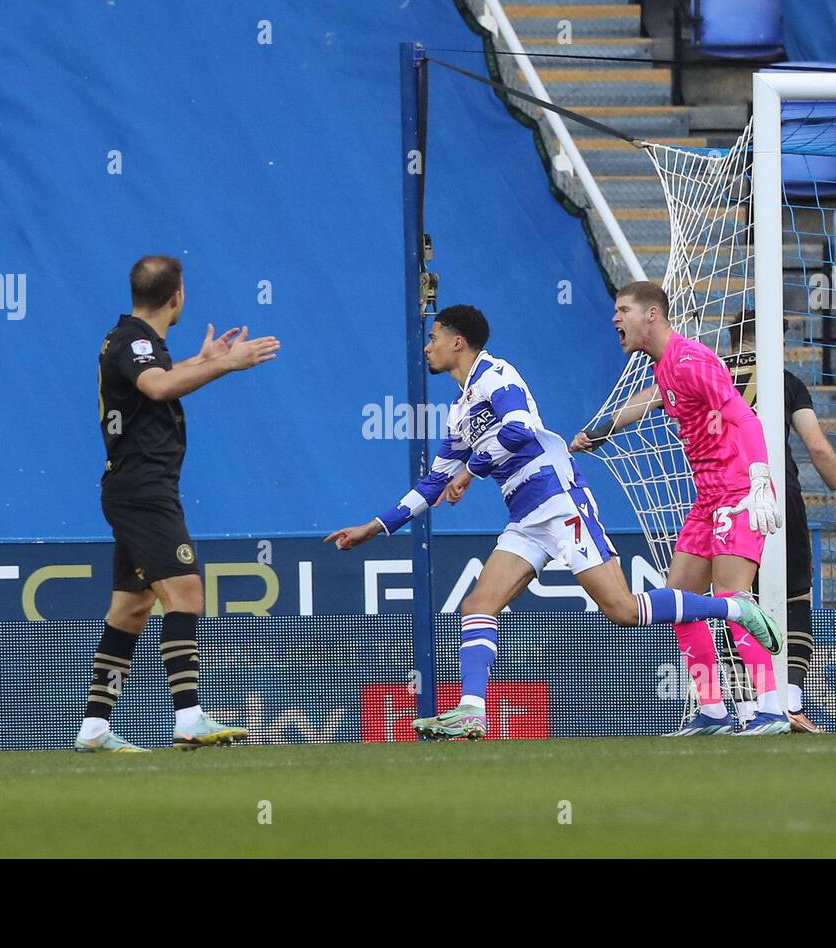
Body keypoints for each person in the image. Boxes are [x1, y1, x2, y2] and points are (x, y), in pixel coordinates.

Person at [326, 303, 778, 741]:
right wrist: (375, 526)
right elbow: (432, 483)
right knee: (478, 605)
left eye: (434, 338)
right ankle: (471, 710)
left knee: (621, 610)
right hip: (523, 516)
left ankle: (735, 610)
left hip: (559, 501)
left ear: (457, 342)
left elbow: (520, 427)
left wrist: (471, 470)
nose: (427, 347)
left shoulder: (497, 374)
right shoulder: (460, 412)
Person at [75, 255, 280, 752]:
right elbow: (157, 384)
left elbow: (155, 379)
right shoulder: (137, 341)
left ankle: (95, 727)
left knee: (130, 609)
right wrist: (226, 365)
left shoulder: (130, 339)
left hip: (133, 487)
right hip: (144, 490)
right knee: (186, 593)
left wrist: (205, 361)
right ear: (178, 296)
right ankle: (189, 718)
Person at [571, 281, 787, 736]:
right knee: (679, 602)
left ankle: (771, 708)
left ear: (652, 315)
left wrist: (760, 480)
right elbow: (645, 401)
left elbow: (743, 416)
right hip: (706, 498)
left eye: (623, 309)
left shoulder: (693, 361)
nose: (615, 318)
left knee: (733, 601)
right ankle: (712, 711)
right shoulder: (665, 365)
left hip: (736, 492)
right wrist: (601, 429)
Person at [721, 323, 836, 733]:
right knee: (796, 595)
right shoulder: (785, 382)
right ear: (770, 342)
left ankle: (748, 708)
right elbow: (817, 446)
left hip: (725, 499)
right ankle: (791, 701)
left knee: (735, 598)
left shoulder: (711, 378)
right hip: (777, 495)